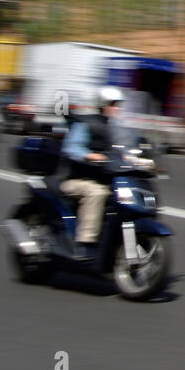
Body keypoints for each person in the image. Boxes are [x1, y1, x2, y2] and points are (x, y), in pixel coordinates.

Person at [59, 86, 127, 261]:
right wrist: (90, 155)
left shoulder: (113, 128)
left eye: (118, 104)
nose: (117, 108)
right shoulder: (85, 123)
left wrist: (139, 160)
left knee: (123, 198)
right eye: (113, 104)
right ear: (103, 104)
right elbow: (72, 148)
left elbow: (122, 150)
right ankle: (85, 245)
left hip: (102, 179)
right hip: (77, 180)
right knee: (97, 193)